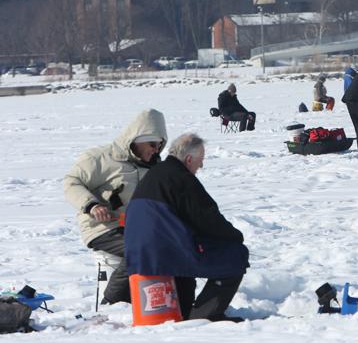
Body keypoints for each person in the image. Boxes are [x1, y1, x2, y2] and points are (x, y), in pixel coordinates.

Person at [124, 133, 249, 322]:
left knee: (186, 258)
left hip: (137, 252)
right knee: (235, 256)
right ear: (189, 159)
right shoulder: (181, 178)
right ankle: (205, 316)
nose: (201, 166)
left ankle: (183, 310)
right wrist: (235, 237)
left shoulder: (156, 174)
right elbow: (207, 219)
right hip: (163, 252)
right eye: (200, 161)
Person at [63, 109, 168, 305]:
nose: (156, 150)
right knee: (142, 249)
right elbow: (72, 182)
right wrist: (92, 206)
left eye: (160, 145)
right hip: (103, 228)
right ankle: (111, 303)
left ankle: (167, 305)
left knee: (169, 246)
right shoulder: (101, 158)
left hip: (135, 228)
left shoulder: (155, 168)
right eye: (152, 144)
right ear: (137, 139)